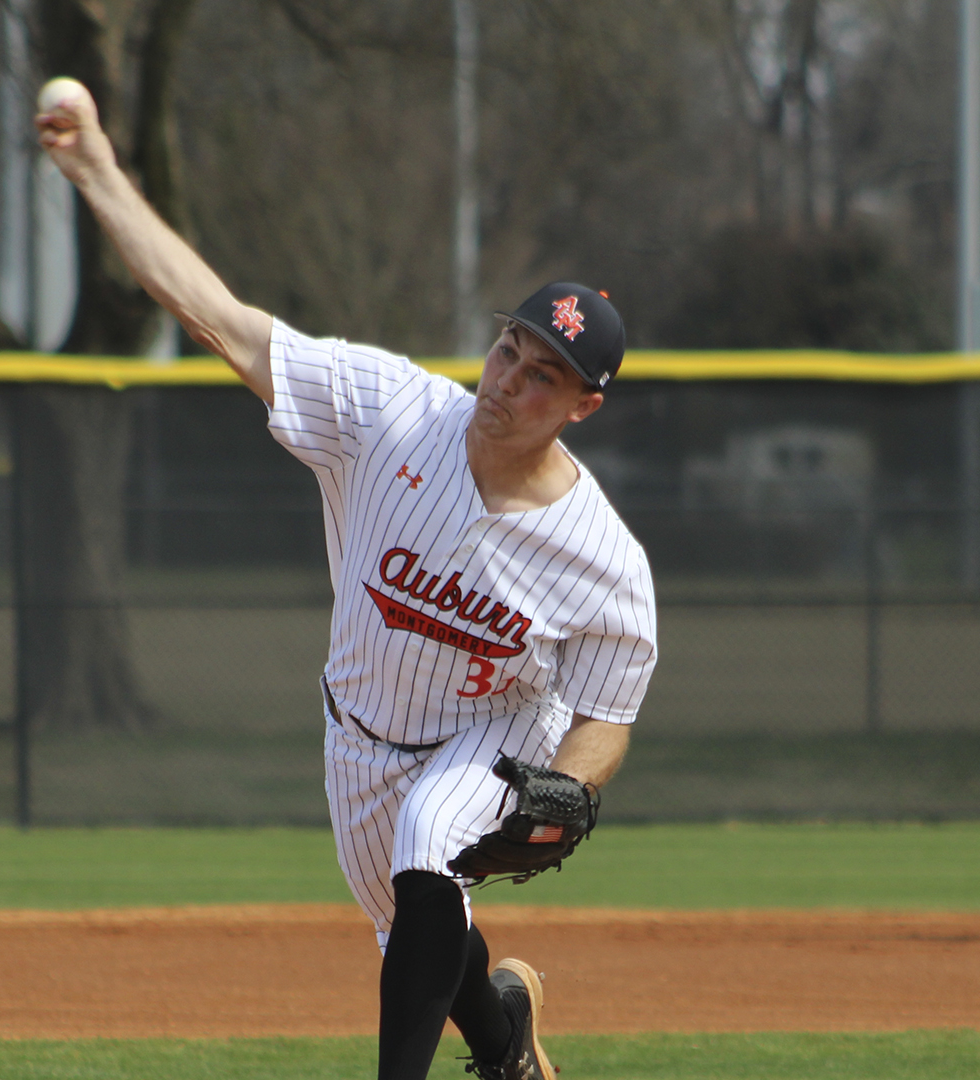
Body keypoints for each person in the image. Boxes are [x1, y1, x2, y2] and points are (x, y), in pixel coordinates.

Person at [38, 85, 658, 1078]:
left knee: (429, 846)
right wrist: (97, 173)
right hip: (357, 732)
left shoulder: (604, 558)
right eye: (510, 348)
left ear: (582, 406)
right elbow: (222, 323)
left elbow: (608, 713)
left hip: (493, 734)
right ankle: (509, 1045)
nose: (507, 380)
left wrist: (571, 783)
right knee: (420, 932)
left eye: (542, 376)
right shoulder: (387, 411)